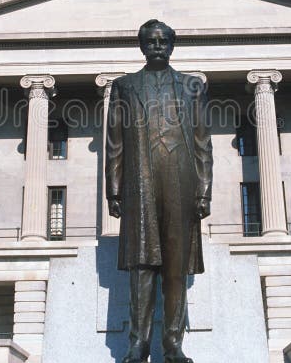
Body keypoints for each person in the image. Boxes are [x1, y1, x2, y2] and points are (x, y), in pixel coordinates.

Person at [106, 19, 213, 363]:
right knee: (142, 265)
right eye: (150, 41)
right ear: (141, 46)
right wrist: (114, 188)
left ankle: (173, 344)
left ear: (171, 45)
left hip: (181, 177)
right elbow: (115, 141)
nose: (157, 46)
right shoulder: (124, 86)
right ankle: (138, 343)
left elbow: (202, 142)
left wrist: (204, 190)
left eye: (163, 41)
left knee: (175, 266)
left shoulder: (192, 86)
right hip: (141, 178)